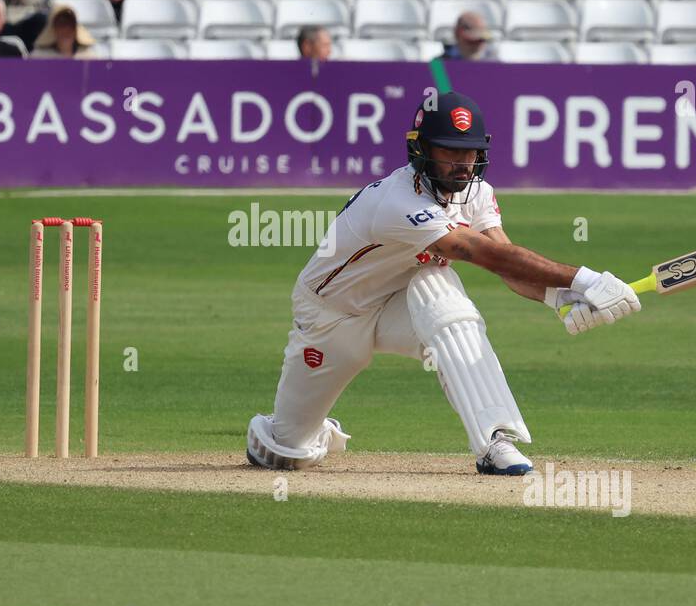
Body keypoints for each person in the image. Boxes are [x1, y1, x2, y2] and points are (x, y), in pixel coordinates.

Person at [243, 91, 641, 475]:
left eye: (470, 152)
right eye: (450, 151)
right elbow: (480, 253)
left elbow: (506, 261)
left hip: (398, 302)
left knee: (444, 296)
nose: (463, 164)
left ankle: (494, 441)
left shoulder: (477, 192)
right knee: (287, 454)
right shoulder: (398, 202)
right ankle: (291, 431)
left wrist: (561, 298)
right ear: (422, 150)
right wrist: (586, 279)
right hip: (331, 317)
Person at [30, 0, 97, 57]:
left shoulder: (88, 56)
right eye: (61, 24)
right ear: (53, 29)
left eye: (70, 24)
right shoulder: (39, 57)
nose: (66, 30)